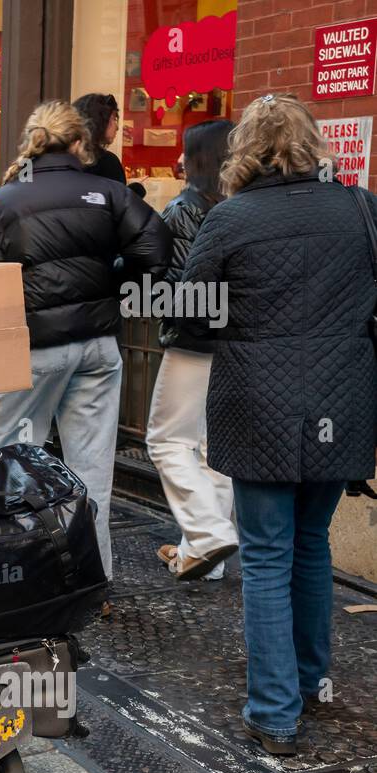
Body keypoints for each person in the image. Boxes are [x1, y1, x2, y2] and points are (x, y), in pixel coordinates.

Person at [178, 93, 377, 756]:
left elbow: (186, 317)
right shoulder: (359, 207)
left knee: (266, 553)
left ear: (247, 150)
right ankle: (308, 680)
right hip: (341, 404)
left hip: (256, 406)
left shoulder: (231, 219)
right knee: (311, 543)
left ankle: (274, 712)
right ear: (311, 144)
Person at [0, 100, 170, 585]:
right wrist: (113, 279)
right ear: (81, 143)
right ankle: (93, 578)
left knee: (11, 459)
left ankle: (17, 574)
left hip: (33, 349)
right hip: (97, 346)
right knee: (92, 468)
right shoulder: (108, 193)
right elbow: (157, 250)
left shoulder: (4, 201)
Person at [146, 119, 238, 582]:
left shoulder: (181, 209)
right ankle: (201, 553)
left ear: (197, 157)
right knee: (214, 448)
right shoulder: (245, 206)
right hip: (240, 345)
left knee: (166, 440)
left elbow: (166, 283)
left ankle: (205, 533)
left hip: (193, 343)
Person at [73, 93, 127, 184]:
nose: (117, 127)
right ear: (99, 121)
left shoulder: (63, 157)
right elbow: (118, 197)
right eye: (114, 118)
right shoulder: (108, 162)